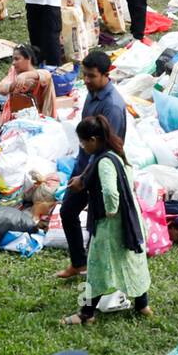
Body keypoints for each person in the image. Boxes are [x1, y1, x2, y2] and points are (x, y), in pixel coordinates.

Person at [61, 114, 152, 325]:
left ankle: (86, 314)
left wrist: (110, 211)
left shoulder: (103, 162)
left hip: (112, 224)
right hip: (131, 218)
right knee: (132, 261)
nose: (83, 147)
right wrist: (83, 180)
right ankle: (142, 305)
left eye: (83, 143)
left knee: (96, 267)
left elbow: (111, 192)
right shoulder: (117, 151)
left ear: (93, 140)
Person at [58, 51, 129, 279]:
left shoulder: (113, 107)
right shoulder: (91, 93)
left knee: (98, 225)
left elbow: (107, 152)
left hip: (100, 172)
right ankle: (78, 263)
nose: (86, 80)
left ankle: (101, 273)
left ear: (105, 75)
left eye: (91, 76)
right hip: (84, 165)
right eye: (85, 75)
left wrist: (85, 178)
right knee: (67, 211)